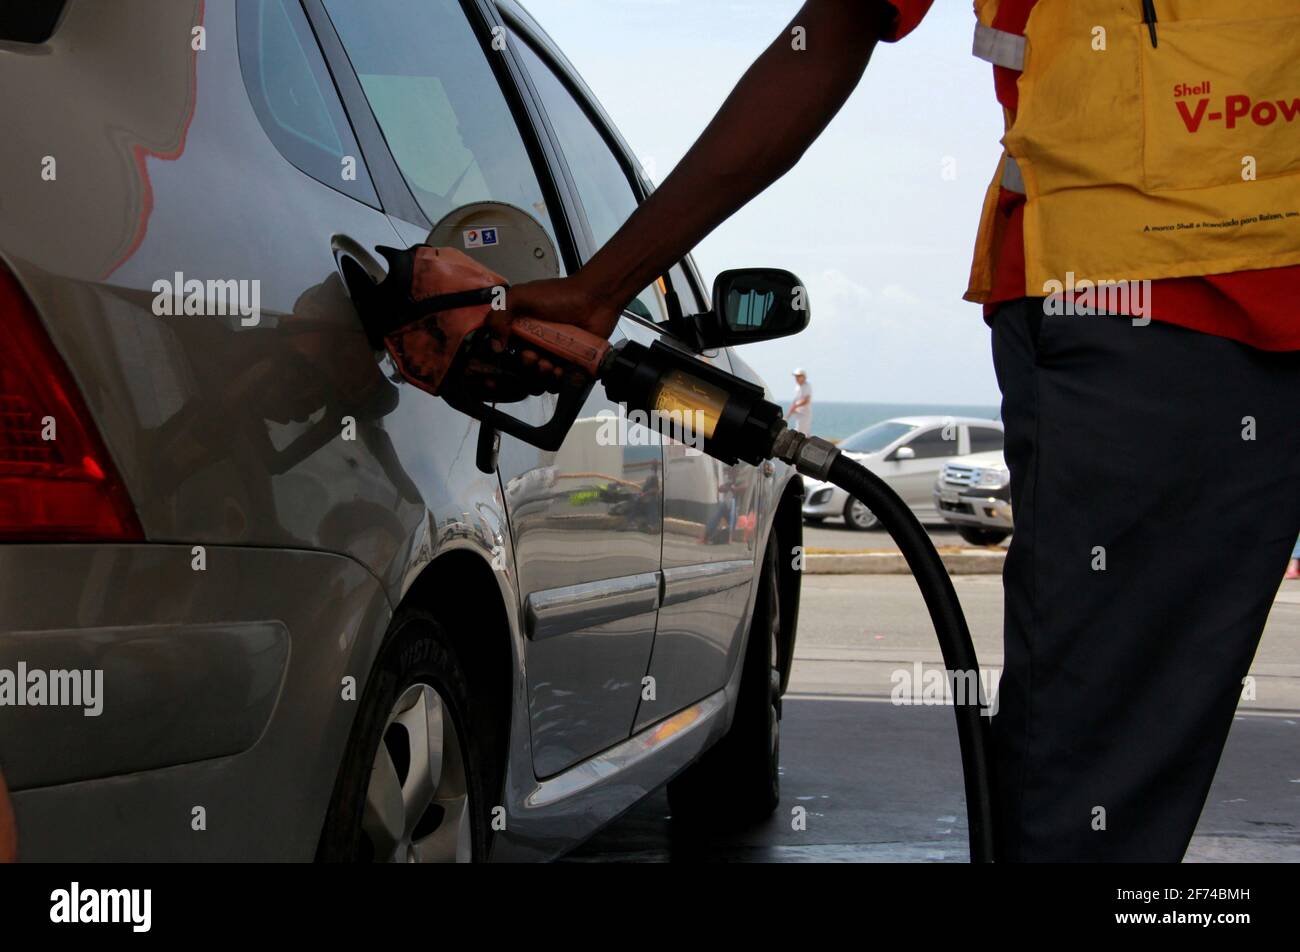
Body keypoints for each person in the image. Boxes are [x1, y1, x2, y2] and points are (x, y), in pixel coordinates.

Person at [494, 1, 1300, 861]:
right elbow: (834, 29)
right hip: (1157, 301)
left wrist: (602, 287)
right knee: (1097, 780)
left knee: (1101, 760)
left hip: (1156, 313)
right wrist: (601, 288)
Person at [788, 368, 813, 434]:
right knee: (801, 432)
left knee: (802, 433)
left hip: (804, 414)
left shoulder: (807, 386)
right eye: (796, 376)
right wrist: (790, 412)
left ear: (804, 377)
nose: (796, 378)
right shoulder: (798, 387)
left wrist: (796, 406)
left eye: (799, 376)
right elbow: (795, 400)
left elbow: (806, 400)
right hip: (798, 414)